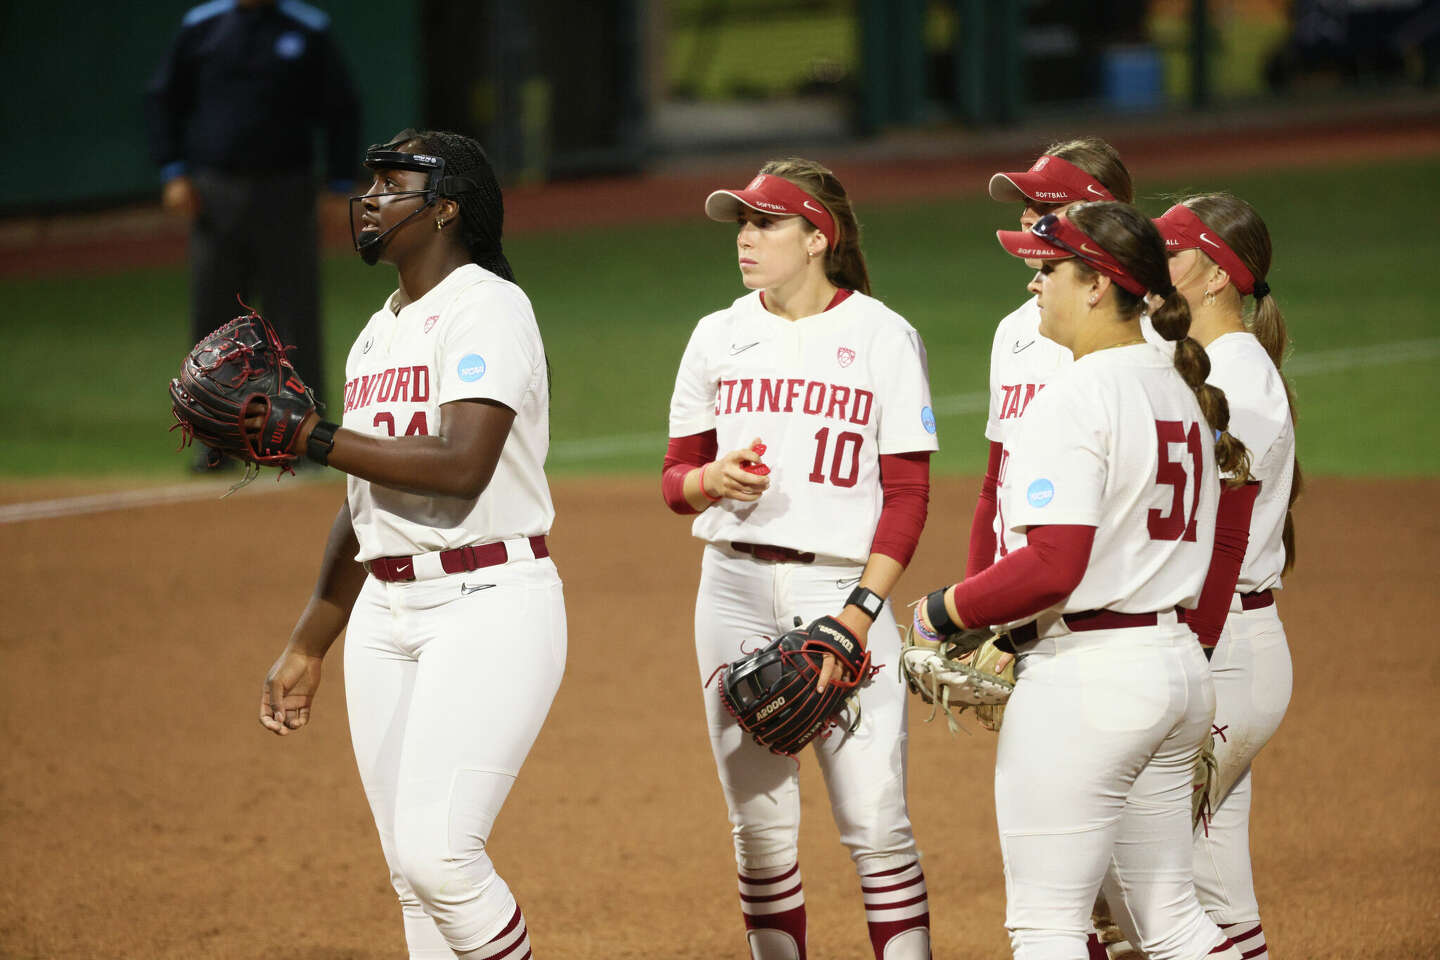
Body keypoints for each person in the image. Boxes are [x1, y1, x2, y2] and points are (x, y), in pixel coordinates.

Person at [256, 128, 564, 960]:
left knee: (441, 857)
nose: (370, 200)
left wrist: (310, 436)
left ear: (446, 210)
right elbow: (367, 502)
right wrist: (310, 640)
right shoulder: (377, 331)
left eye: (394, 185)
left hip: (487, 604)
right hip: (386, 618)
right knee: (409, 871)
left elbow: (461, 465)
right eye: (372, 184)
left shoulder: (488, 308)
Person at [915, 201, 1251, 960]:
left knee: (1046, 927)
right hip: (1173, 672)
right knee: (1172, 921)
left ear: (1098, 285)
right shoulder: (1181, 390)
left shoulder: (1074, 394)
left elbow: (1052, 565)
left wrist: (945, 610)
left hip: (1091, 683)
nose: (1034, 286)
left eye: (1048, 270)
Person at [662, 160, 939, 960]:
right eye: (741, 224)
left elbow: (909, 495)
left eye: (766, 223)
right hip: (733, 589)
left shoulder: (882, 335)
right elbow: (675, 481)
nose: (746, 238)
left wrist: (859, 614)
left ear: (820, 236)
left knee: (877, 820)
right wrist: (708, 480)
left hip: (841, 588)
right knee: (758, 829)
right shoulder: (717, 335)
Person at [1153, 194, 1299, 960]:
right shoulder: (1205, 365)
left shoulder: (1239, 381)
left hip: (1224, 646)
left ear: (1215, 276)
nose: (1154, 266)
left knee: (1135, 870)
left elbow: (1209, 540)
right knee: (1212, 888)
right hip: (1225, 641)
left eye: (1170, 253)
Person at [146, 0, 360, 471]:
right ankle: (215, 443)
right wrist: (173, 171)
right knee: (215, 326)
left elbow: (342, 109)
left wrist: (339, 184)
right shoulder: (201, 26)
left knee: (294, 320)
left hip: (289, 192)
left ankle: (304, 441)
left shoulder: (308, 28)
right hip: (214, 194)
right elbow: (163, 98)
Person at [969, 138, 1134, 583]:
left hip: (1097, 596)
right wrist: (972, 607)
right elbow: (993, 486)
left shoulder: (1146, 332)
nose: (1026, 215)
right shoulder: (1015, 330)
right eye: (1025, 202)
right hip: (1013, 593)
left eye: (1044, 203)